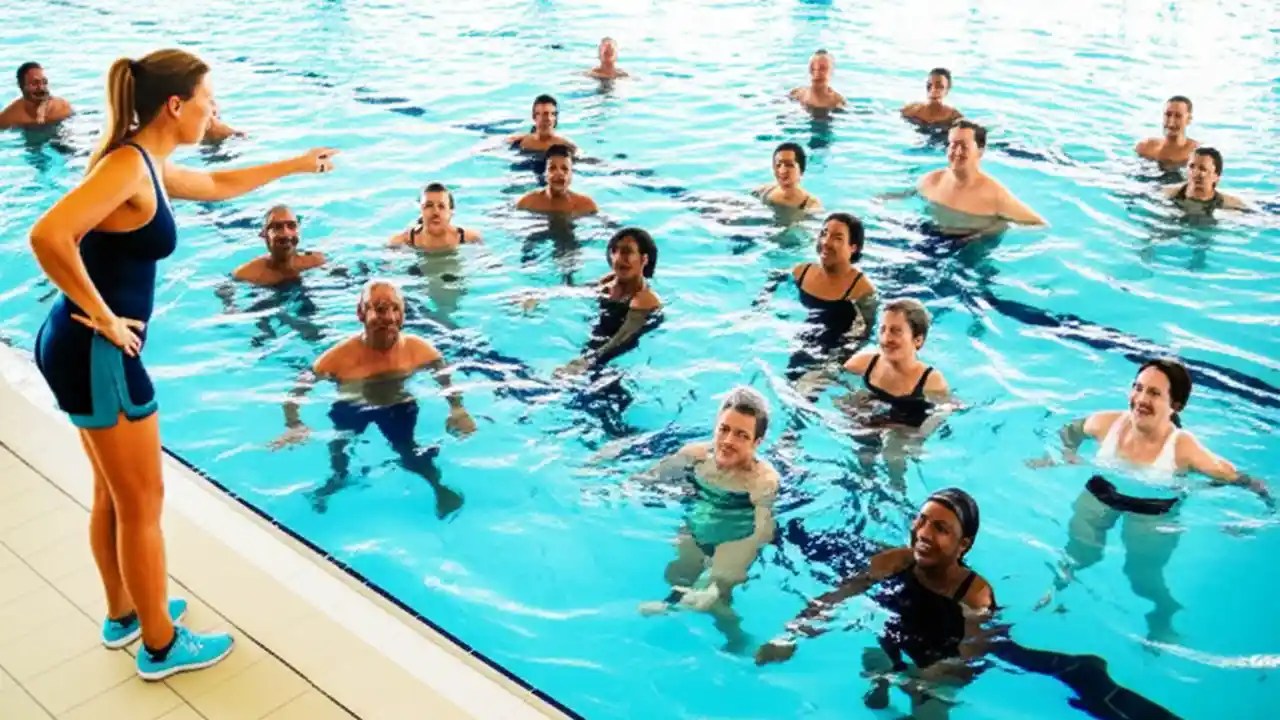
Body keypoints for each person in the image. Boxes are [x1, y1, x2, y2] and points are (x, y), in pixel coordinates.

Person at [28, 48, 337, 681]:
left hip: (77, 347)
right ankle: (162, 646)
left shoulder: (145, 161)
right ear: (176, 105)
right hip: (99, 352)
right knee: (143, 502)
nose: (213, 111)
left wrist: (297, 166)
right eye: (208, 100)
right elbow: (47, 236)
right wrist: (106, 316)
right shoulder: (127, 168)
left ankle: (125, 613)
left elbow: (218, 184)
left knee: (115, 494)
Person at [757, 490, 1184, 720]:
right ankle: (886, 677)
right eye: (921, 520)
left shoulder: (975, 594)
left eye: (940, 529)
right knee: (877, 675)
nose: (923, 532)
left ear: (963, 545)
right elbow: (835, 597)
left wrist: (924, 681)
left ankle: (1086, 674)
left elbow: (970, 657)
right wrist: (790, 636)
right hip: (897, 632)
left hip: (945, 651)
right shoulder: (894, 560)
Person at [1032, 358, 1271, 641]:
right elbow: (1069, 431)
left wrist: (1255, 518)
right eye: (1138, 388)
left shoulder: (1184, 449)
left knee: (1141, 576)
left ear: (1176, 406)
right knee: (1078, 554)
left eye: (1154, 393)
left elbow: (1244, 481)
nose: (1141, 399)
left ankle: (1162, 616)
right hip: (1102, 491)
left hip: (1153, 510)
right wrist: (1062, 454)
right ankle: (1058, 593)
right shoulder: (1107, 424)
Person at [272, 280, 476, 517]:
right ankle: (337, 481)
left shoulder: (420, 350)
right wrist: (294, 424)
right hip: (352, 406)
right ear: (361, 313)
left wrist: (457, 409)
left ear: (404, 315)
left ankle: (440, 491)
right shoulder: (337, 359)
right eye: (379, 309)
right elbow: (296, 393)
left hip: (397, 406)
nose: (388, 317)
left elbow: (445, 376)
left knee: (410, 452)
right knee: (339, 449)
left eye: (395, 309)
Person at [638, 387, 780, 652]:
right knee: (678, 574)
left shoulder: (761, 480)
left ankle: (735, 633)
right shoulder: (696, 456)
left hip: (736, 534)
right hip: (699, 523)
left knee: (715, 588)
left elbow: (761, 531)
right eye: (724, 429)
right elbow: (649, 477)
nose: (728, 440)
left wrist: (723, 575)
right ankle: (731, 633)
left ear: (757, 443)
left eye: (741, 435)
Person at [796, 299, 952, 490]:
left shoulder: (931, 381)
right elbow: (830, 378)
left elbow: (943, 412)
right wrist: (803, 391)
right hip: (872, 422)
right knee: (863, 461)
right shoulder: (864, 363)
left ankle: (897, 489)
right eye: (883, 329)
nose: (886, 338)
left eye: (896, 331)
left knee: (892, 450)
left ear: (917, 340)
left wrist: (917, 438)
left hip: (903, 429)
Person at [758, 213, 877, 378]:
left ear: (853, 247)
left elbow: (864, 336)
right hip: (798, 337)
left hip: (830, 352)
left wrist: (835, 366)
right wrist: (761, 307)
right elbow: (773, 282)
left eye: (837, 238)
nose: (826, 242)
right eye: (824, 233)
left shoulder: (860, 290)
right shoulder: (802, 272)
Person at [556, 228, 661, 376]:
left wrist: (587, 361)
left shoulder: (644, 299)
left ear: (644, 259)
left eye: (626, 252)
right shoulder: (608, 282)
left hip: (616, 355)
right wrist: (539, 296)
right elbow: (576, 291)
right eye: (614, 251)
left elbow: (623, 337)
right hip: (597, 343)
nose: (618, 258)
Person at [918, 119, 1046, 237]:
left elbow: (1037, 224)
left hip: (967, 246)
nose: (957, 152)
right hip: (931, 235)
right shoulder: (931, 180)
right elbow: (909, 196)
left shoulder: (995, 196)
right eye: (953, 145)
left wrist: (991, 230)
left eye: (964, 146)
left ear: (980, 151)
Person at [231, 205, 327, 286]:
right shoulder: (248, 274)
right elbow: (226, 288)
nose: (286, 233)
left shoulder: (316, 261)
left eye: (291, 226)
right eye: (277, 227)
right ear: (264, 235)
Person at [389, 182, 482, 250]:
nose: (435, 212)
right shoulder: (401, 241)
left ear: (451, 212)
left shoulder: (470, 238)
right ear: (421, 211)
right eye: (429, 205)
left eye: (441, 206)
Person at [516, 144, 598, 216]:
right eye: (552, 168)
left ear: (571, 175)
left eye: (564, 169)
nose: (559, 173)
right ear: (545, 174)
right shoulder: (528, 203)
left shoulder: (586, 206)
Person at [1160, 147, 1247, 213]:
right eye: (1191, 166)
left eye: (1202, 169)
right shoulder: (1167, 194)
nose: (1195, 173)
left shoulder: (1230, 203)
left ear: (1216, 177)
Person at [0, 62, 73, 128]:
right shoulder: (9, 118)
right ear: (21, 86)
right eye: (34, 83)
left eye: (44, 82)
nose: (41, 87)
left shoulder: (62, 108)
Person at [755, 142, 822, 212]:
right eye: (778, 165)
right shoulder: (764, 191)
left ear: (801, 170)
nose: (782, 171)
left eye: (789, 165)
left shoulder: (811, 205)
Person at [1135, 96, 1198, 168]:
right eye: (1168, 115)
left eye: (1178, 116)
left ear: (1189, 120)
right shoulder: (1145, 147)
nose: (1171, 122)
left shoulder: (1196, 154)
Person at [508, 94, 577, 153]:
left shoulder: (567, 146)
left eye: (553, 114)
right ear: (534, 117)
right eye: (545, 114)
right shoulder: (520, 141)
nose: (549, 119)